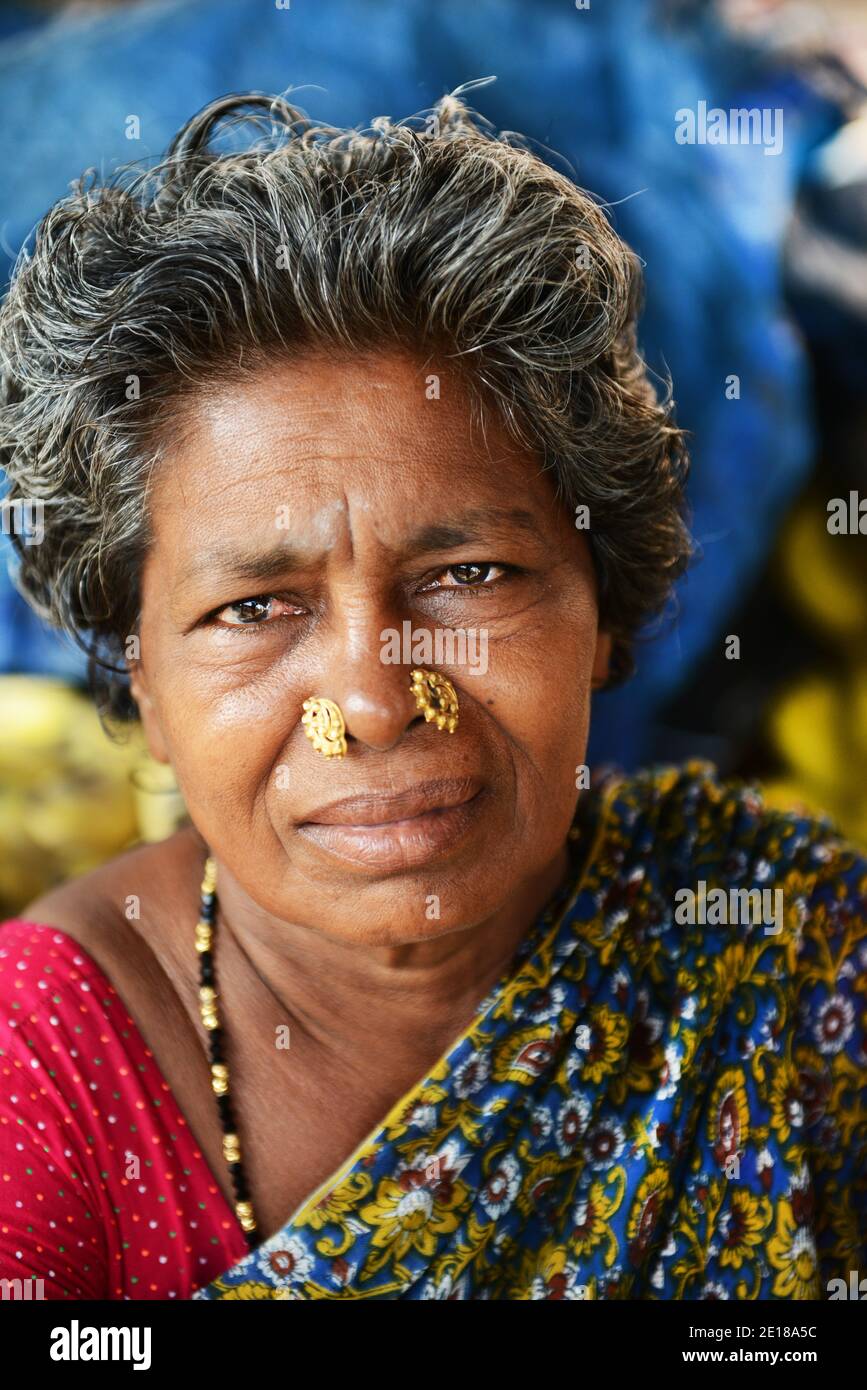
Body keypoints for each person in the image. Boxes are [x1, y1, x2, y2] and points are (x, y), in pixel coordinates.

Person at [0, 91, 863, 1301]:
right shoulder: (35, 1082)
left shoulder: (789, 946)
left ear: (603, 609)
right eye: (255, 608)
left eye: (468, 577)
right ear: (136, 667)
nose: (372, 701)